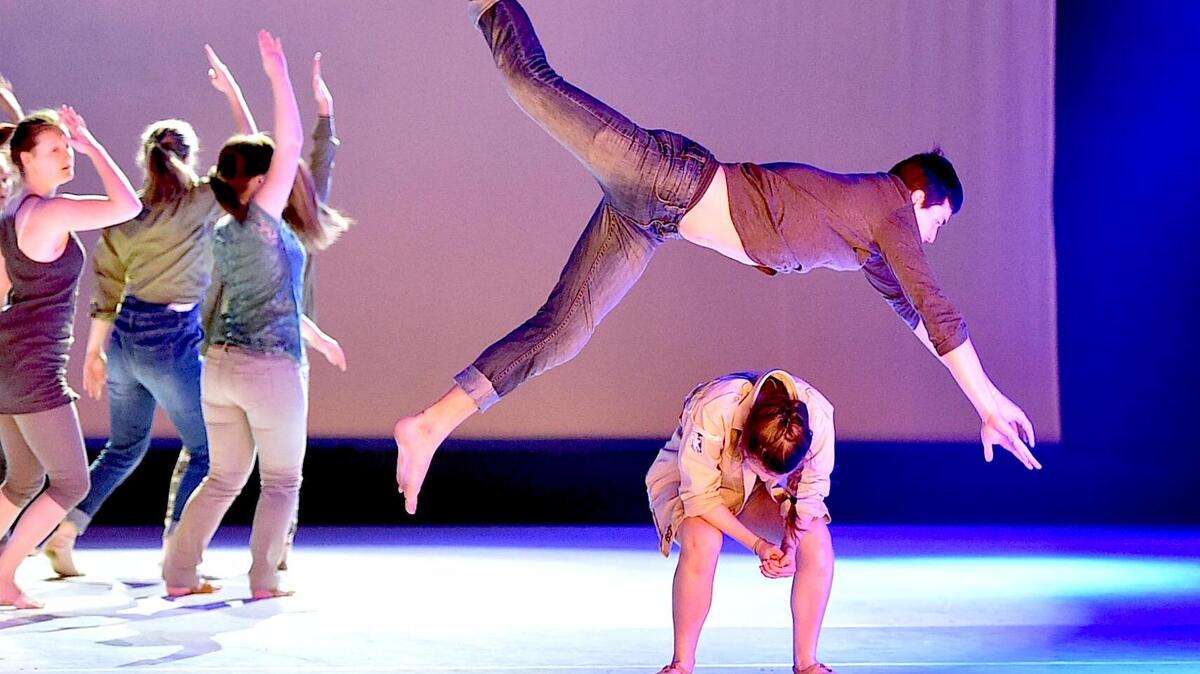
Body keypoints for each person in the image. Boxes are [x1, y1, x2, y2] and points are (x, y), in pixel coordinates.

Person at [392, 0, 1040, 515]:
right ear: (923, 194)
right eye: (938, 223)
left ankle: (428, 425)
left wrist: (979, 399)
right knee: (531, 83)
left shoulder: (869, 239)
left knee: (563, 334)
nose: (929, 237)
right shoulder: (893, 205)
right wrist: (987, 400)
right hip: (667, 177)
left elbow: (920, 320)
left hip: (652, 217)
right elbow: (939, 308)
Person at [40, 45, 258, 578]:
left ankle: (67, 528)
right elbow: (254, 154)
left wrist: (94, 355)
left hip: (124, 341)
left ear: (145, 159)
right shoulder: (205, 199)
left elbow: (107, 287)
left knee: (124, 446)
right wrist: (232, 91)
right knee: (208, 450)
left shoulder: (128, 214)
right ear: (189, 154)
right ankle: (178, 555)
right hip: (169, 337)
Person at [161, 30, 345, 600]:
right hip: (267, 372)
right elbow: (285, 145)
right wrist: (275, 72)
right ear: (262, 184)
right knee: (282, 480)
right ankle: (264, 580)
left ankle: (179, 576)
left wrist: (313, 335)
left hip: (219, 368)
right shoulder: (263, 224)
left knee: (222, 478)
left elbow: (270, 296)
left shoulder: (226, 227)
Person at [0, 106, 142, 608]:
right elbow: (126, 206)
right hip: (33, 370)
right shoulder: (50, 212)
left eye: (66, 147)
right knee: (71, 483)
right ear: (25, 159)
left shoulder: (12, 215)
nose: (66, 156)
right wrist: (93, 144)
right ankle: (4, 574)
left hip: (9, 364)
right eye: (54, 150)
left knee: (22, 481)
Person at [646, 370, 836, 674]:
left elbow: (810, 497)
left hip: (757, 494)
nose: (773, 476)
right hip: (688, 482)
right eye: (764, 466)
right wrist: (759, 545)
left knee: (816, 543)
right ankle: (681, 664)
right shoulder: (716, 406)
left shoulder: (818, 416)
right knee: (704, 540)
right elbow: (701, 497)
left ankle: (807, 662)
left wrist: (790, 545)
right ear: (747, 441)